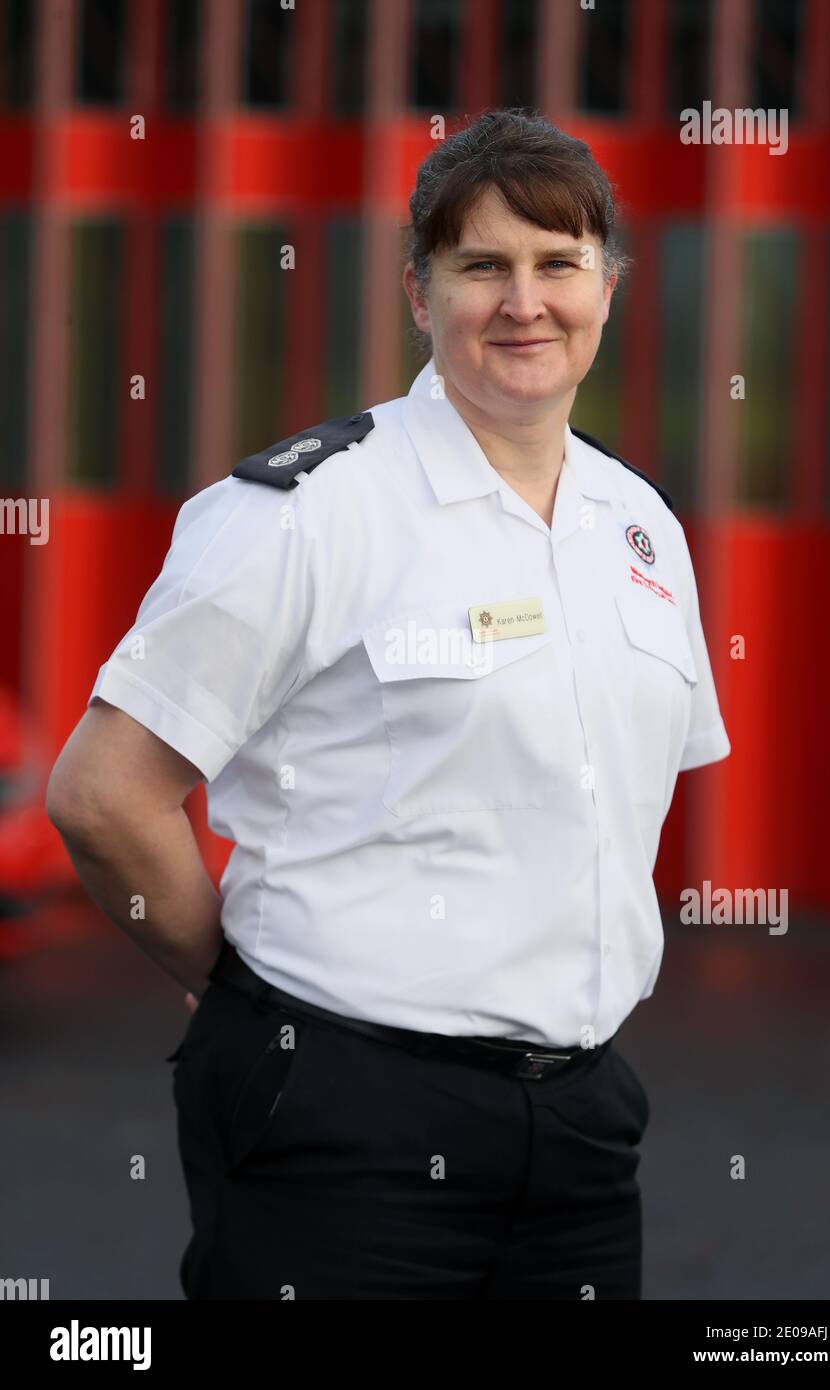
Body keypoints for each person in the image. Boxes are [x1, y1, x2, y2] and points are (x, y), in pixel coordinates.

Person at [45, 108, 730, 1300]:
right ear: (420, 296)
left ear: (606, 290)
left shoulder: (642, 529)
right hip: (342, 1124)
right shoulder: (308, 512)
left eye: (557, 264)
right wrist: (238, 991)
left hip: (578, 1130)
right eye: (482, 266)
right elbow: (104, 797)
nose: (524, 302)